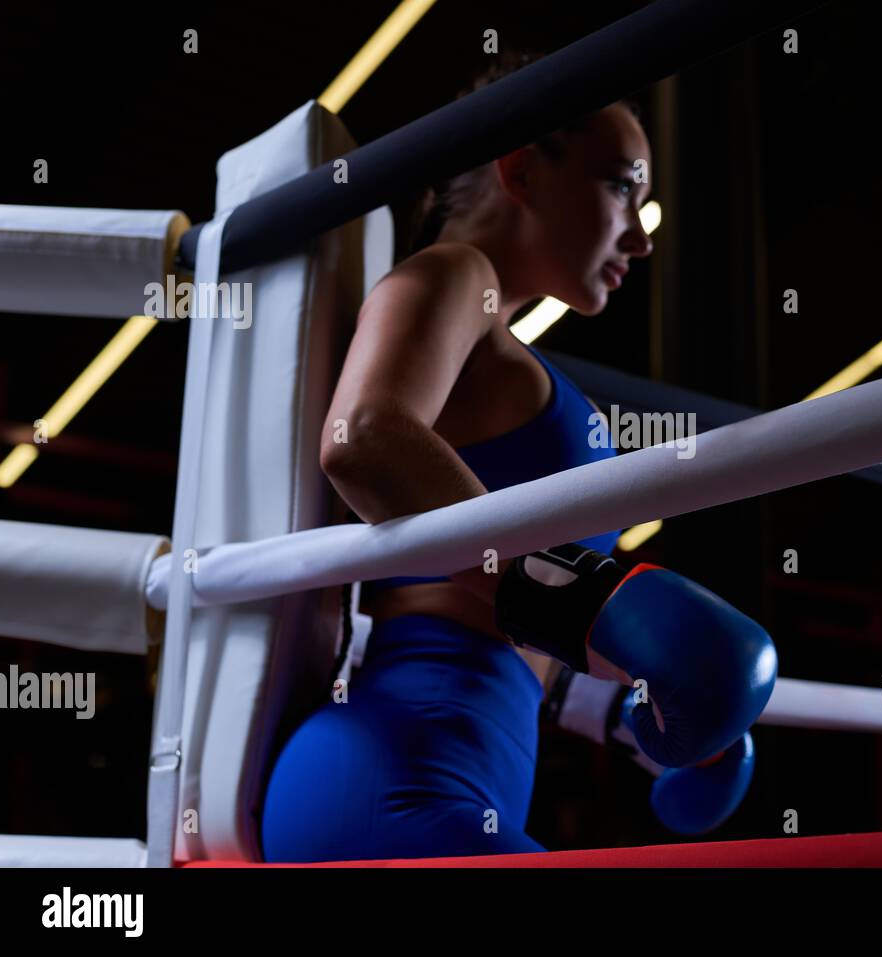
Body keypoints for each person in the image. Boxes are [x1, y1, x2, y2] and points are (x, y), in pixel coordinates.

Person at [261, 56, 774, 863]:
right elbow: (362, 438)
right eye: (620, 188)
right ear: (521, 169)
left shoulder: (500, 344)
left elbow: (506, 616)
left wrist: (640, 712)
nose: (640, 237)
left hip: (449, 765)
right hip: (397, 772)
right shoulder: (456, 272)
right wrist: (585, 599)